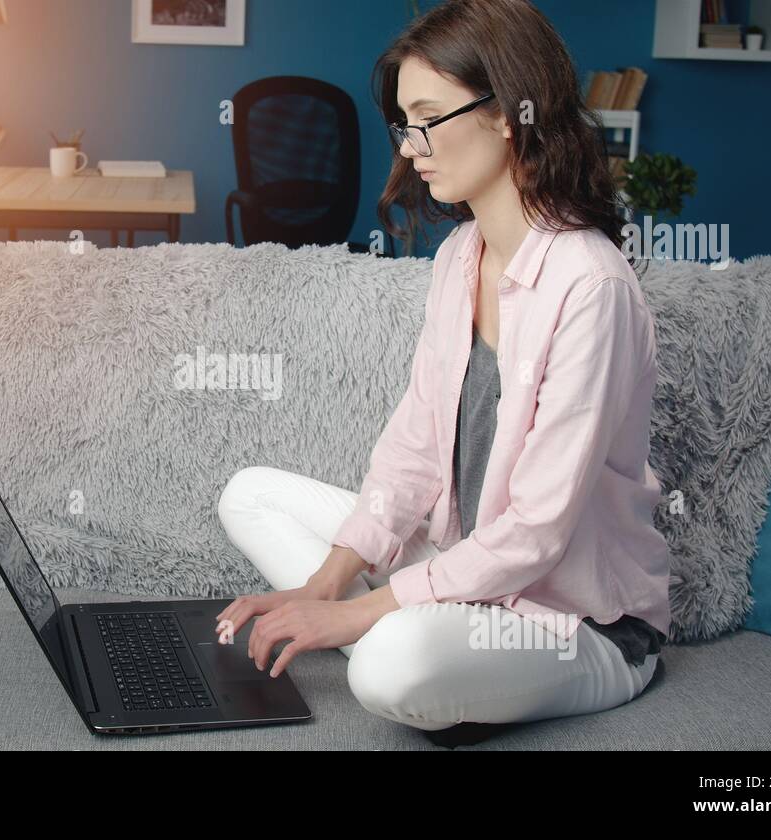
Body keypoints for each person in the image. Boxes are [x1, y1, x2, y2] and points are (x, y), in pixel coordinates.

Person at [215, 0, 671, 734]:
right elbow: (415, 448)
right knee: (249, 495)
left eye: (427, 117)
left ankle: (401, 634)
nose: (410, 146)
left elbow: (537, 532)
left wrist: (360, 613)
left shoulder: (593, 287)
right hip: (470, 573)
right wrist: (322, 587)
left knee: (386, 665)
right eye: (403, 121)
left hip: (575, 619)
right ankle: (401, 623)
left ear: (507, 113)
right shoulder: (462, 256)